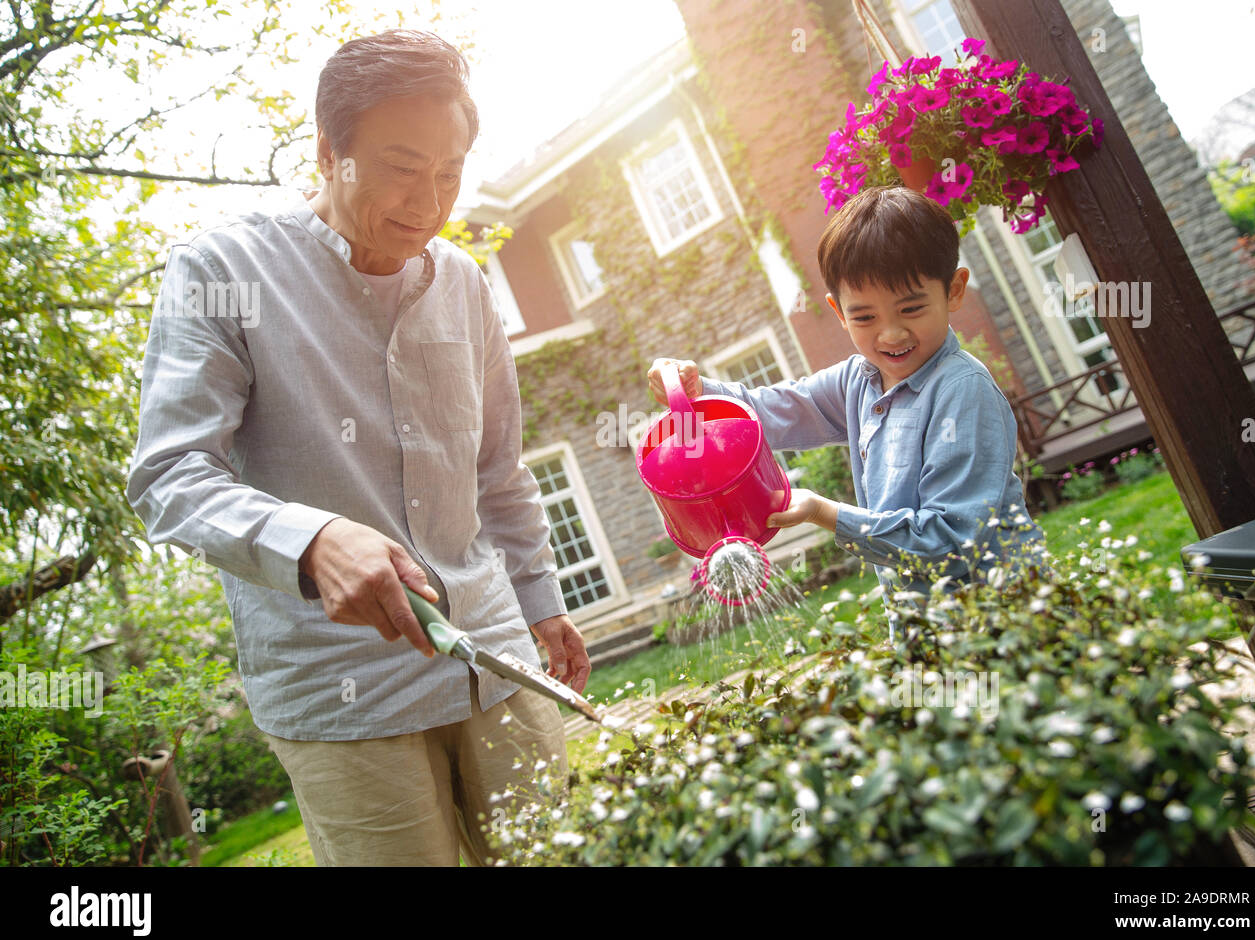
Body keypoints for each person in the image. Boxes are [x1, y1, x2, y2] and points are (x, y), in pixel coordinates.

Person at [127, 29, 589, 866]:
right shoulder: (222, 270)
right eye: (403, 166)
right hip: (343, 697)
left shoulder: (466, 285)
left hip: (495, 657)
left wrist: (542, 600)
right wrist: (308, 538)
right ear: (327, 151)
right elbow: (169, 474)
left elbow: (498, 471)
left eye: (449, 172)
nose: (430, 200)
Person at [647, 186, 1049, 640]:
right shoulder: (859, 380)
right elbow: (771, 412)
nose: (891, 333)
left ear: (954, 290)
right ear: (838, 312)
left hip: (1003, 625)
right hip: (925, 630)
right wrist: (701, 392)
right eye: (865, 318)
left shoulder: (961, 392)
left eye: (912, 308)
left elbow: (951, 542)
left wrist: (825, 512)